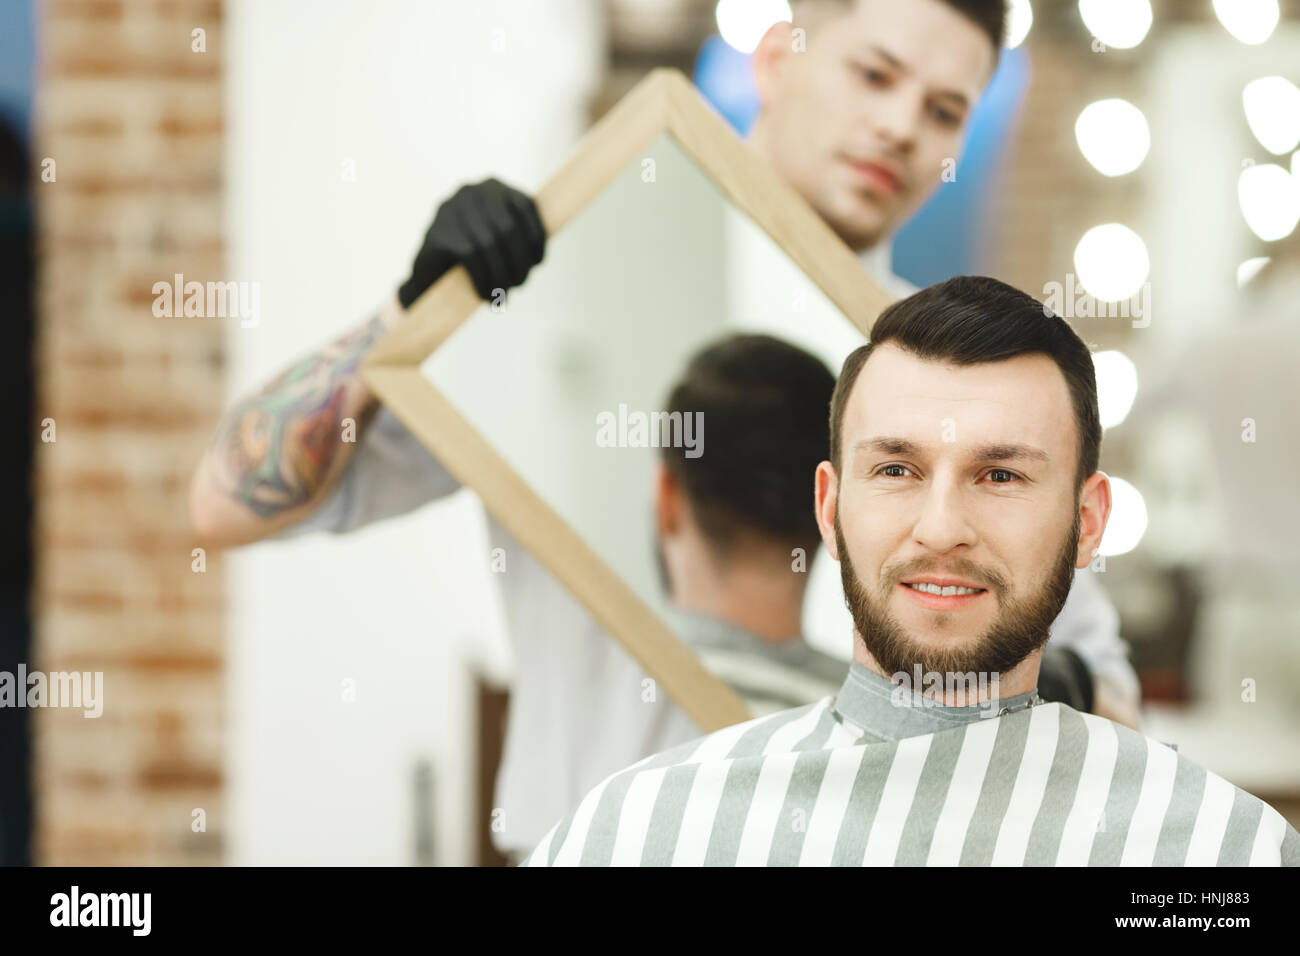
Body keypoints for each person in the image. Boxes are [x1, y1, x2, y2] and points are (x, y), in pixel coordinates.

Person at [189, 0, 1135, 860]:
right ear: (774, 58)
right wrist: (411, 320)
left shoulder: (960, 388)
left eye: (944, 110)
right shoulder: (556, 299)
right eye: (874, 75)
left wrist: (1034, 686)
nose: (899, 126)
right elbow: (227, 502)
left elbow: (1110, 700)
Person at [522, 276, 1300, 867]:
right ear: (829, 508)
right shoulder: (647, 830)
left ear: (1088, 522)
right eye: (896, 469)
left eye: (1000, 476)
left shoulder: (1216, 856)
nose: (941, 529)